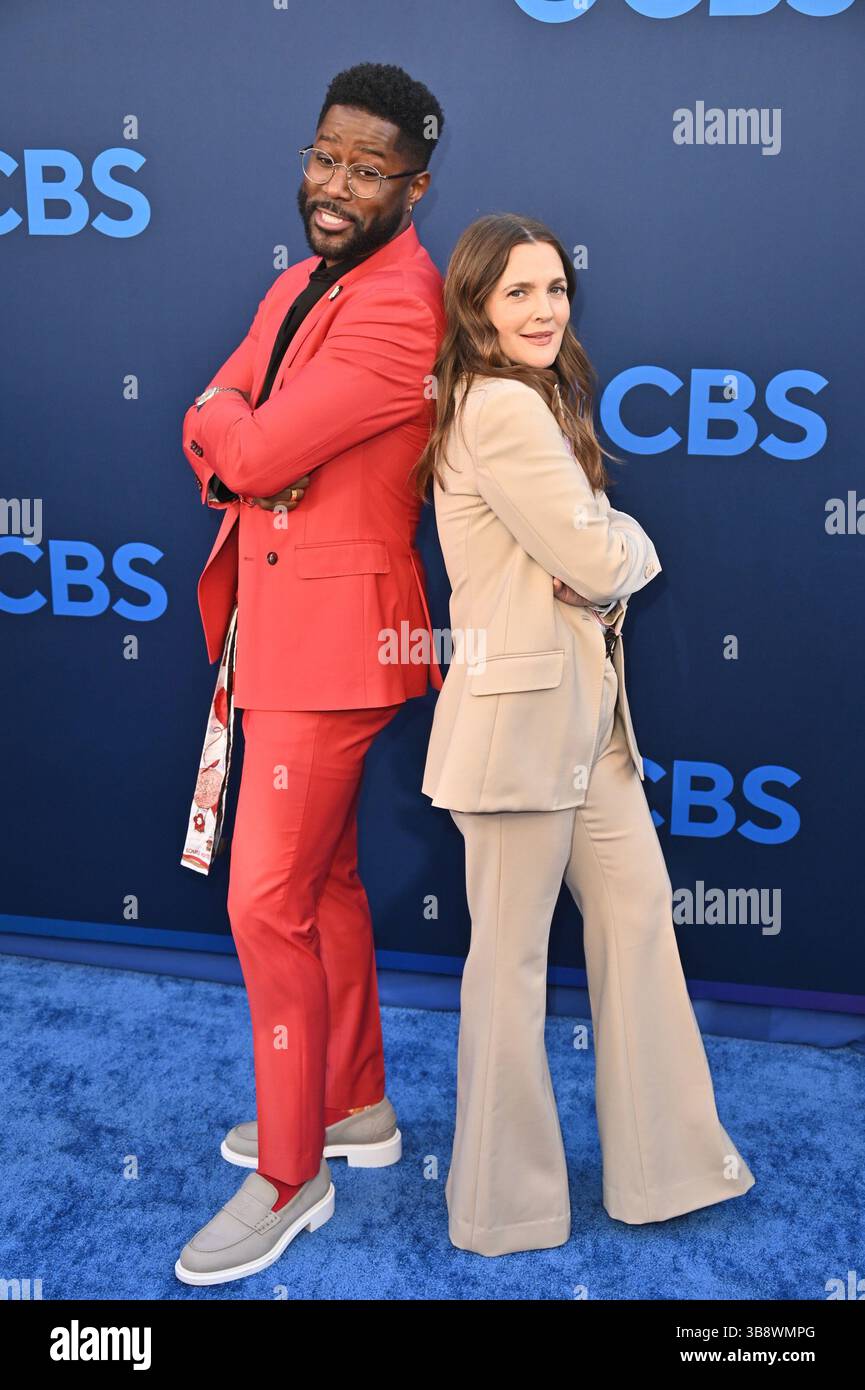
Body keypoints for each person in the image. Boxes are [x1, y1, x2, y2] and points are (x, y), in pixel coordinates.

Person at [415, 213, 756, 1257]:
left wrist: (609, 548)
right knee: (510, 969)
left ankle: (670, 1167)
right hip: (518, 732)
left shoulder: (535, 399)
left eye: (554, 289)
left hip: (586, 725)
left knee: (639, 915)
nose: (542, 308)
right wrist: (624, 547)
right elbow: (599, 563)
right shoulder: (502, 411)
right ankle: (502, 1209)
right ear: (474, 306)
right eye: (516, 292)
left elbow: (595, 556)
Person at [175, 63, 446, 1285]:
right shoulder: (299, 280)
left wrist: (235, 436)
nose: (335, 185)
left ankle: (291, 1177)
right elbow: (227, 422)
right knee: (324, 883)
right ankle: (356, 1107)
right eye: (325, 157)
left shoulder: (402, 304)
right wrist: (235, 438)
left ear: (413, 187)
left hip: (333, 647)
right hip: (275, 627)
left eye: (367, 169)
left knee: (263, 902)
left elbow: (255, 435)